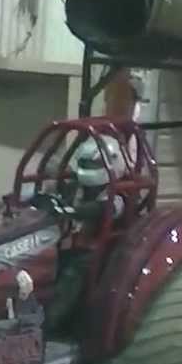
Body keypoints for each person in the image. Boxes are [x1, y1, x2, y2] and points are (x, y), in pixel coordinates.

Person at [41, 135, 130, 335]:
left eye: (94, 163)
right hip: (76, 244)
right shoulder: (81, 187)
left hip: (105, 252)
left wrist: (71, 210)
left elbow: (104, 208)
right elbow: (61, 188)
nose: (90, 167)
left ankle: (48, 326)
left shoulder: (120, 192)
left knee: (74, 272)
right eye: (86, 163)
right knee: (47, 261)